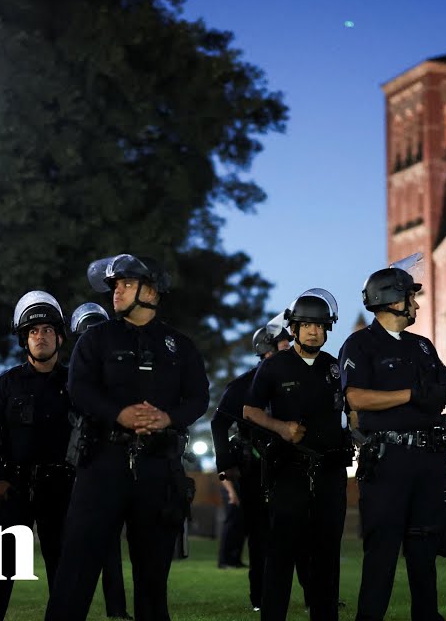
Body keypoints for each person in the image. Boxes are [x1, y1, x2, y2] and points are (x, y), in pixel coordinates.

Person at [45, 254, 209, 621]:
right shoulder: (96, 339)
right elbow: (79, 388)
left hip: (157, 468)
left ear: (150, 290)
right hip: (102, 464)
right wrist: (118, 413)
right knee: (77, 571)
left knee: (152, 579)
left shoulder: (179, 345)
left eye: (125, 284)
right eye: (114, 285)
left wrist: (168, 417)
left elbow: (199, 396)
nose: (116, 291)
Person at [341, 260, 446, 621]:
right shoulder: (360, 344)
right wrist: (411, 394)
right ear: (393, 301)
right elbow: (356, 398)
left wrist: (429, 392)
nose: (416, 305)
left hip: (429, 459)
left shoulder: (422, 346)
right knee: (383, 548)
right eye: (411, 297)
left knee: (426, 544)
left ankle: (427, 616)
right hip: (389, 459)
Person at [243, 290, 349, 621]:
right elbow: (249, 410)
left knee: (328, 554)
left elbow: (352, 409)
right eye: (306, 325)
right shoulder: (274, 366)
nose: (313, 331)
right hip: (289, 469)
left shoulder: (336, 368)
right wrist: (280, 427)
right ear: (293, 328)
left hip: (331, 471)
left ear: (327, 328)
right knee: (281, 552)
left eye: (319, 325)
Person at [0, 291, 76, 620]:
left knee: (63, 575)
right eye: (33, 332)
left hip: (62, 489)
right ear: (24, 339)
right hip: (13, 488)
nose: (41, 337)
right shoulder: (5, 385)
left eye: (47, 330)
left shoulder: (77, 384)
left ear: (59, 337)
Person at [212, 313, 290, 611]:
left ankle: (315, 598)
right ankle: (260, 598)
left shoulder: (295, 381)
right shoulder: (242, 385)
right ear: (266, 351)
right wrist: (226, 464)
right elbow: (219, 424)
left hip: (291, 466)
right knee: (260, 537)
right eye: (283, 345)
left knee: (303, 535)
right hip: (255, 469)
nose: (289, 349)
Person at [68, 301, 132, 621]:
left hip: (106, 462)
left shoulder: (117, 376)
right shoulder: (72, 375)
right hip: (77, 464)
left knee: (107, 543)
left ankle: (116, 607)